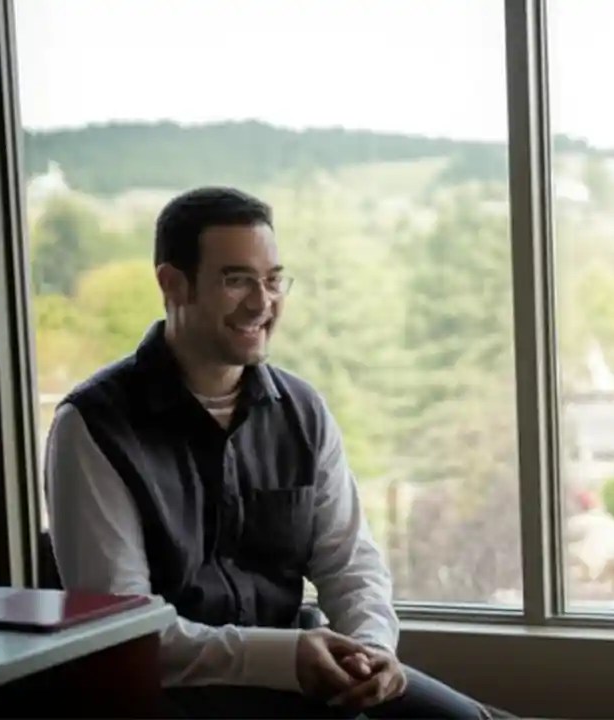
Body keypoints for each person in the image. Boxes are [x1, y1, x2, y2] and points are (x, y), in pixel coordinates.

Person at [45, 186, 496, 719]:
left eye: (273, 279)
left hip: (305, 669)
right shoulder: (92, 427)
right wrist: (285, 659)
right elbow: (129, 637)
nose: (262, 302)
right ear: (173, 284)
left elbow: (351, 565)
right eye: (237, 280)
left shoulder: (303, 411)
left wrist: (373, 650)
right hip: (175, 695)